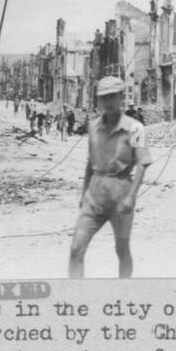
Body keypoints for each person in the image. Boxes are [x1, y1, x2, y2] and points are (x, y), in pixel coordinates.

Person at [69, 76, 153, 278]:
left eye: (112, 97)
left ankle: (123, 293)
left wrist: (132, 196)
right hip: (95, 193)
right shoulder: (92, 126)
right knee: (76, 248)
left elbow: (142, 162)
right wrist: (83, 195)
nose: (108, 102)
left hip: (121, 190)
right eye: (103, 98)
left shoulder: (136, 128)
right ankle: (73, 296)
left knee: (121, 249)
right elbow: (90, 163)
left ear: (121, 97)